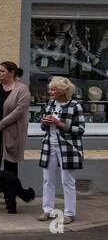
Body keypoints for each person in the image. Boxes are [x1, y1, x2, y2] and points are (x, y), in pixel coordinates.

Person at [37, 76, 83, 225]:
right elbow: (43, 127)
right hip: (49, 145)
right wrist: (44, 122)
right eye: (50, 89)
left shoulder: (75, 106)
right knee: (47, 179)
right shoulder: (50, 105)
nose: (50, 92)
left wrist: (59, 123)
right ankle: (47, 210)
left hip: (68, 148)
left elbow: (80, 130)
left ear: (63, 91)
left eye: (53, 89)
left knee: (67, 181)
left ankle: (70, 213)